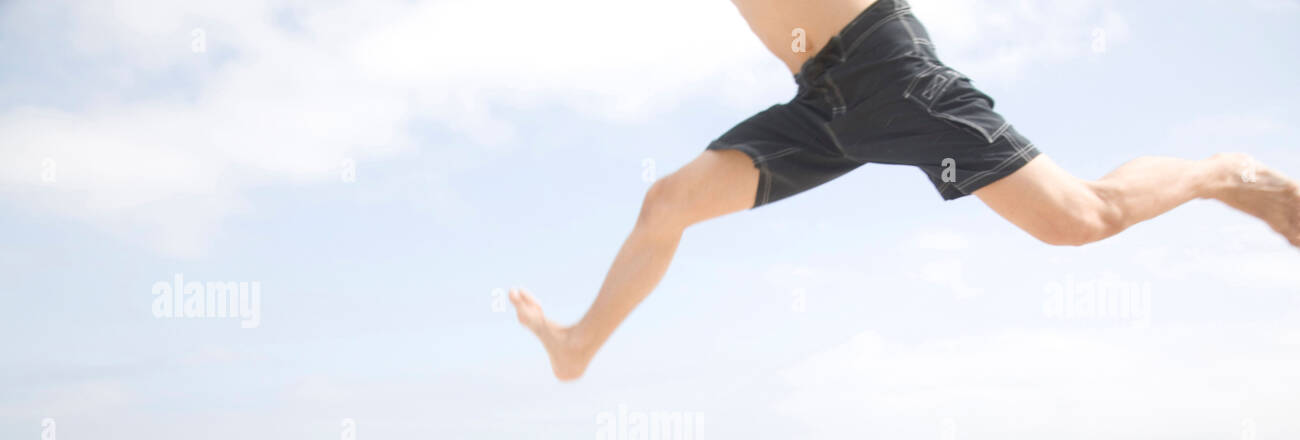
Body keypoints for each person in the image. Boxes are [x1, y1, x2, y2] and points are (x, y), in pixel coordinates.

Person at [511, 0, 1299, 381]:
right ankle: (579, 345)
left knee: (1082, 218)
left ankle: (1221, 173)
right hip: (823, 99)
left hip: (888, 70)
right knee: (667, 204)